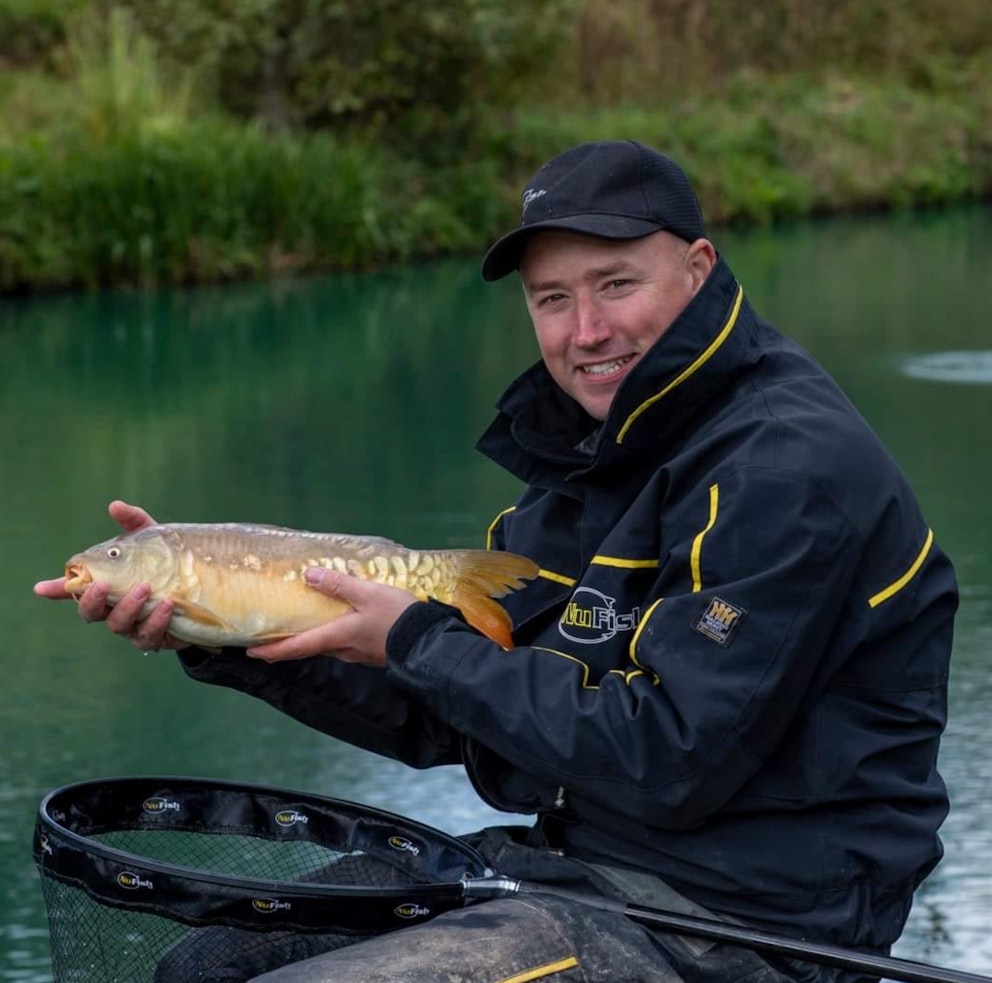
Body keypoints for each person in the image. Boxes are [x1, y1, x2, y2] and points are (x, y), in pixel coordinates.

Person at [36, 140, 958, 983]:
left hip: (749, 923)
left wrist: (422, 641)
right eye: (553, 299)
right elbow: (461, 715)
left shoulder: (788, 466)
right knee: (203, 965)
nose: (586, 330)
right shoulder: (593, 453)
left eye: (616, 284)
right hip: (580, 868)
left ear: (698, 267)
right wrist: (220, 629)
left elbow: (669, 758)